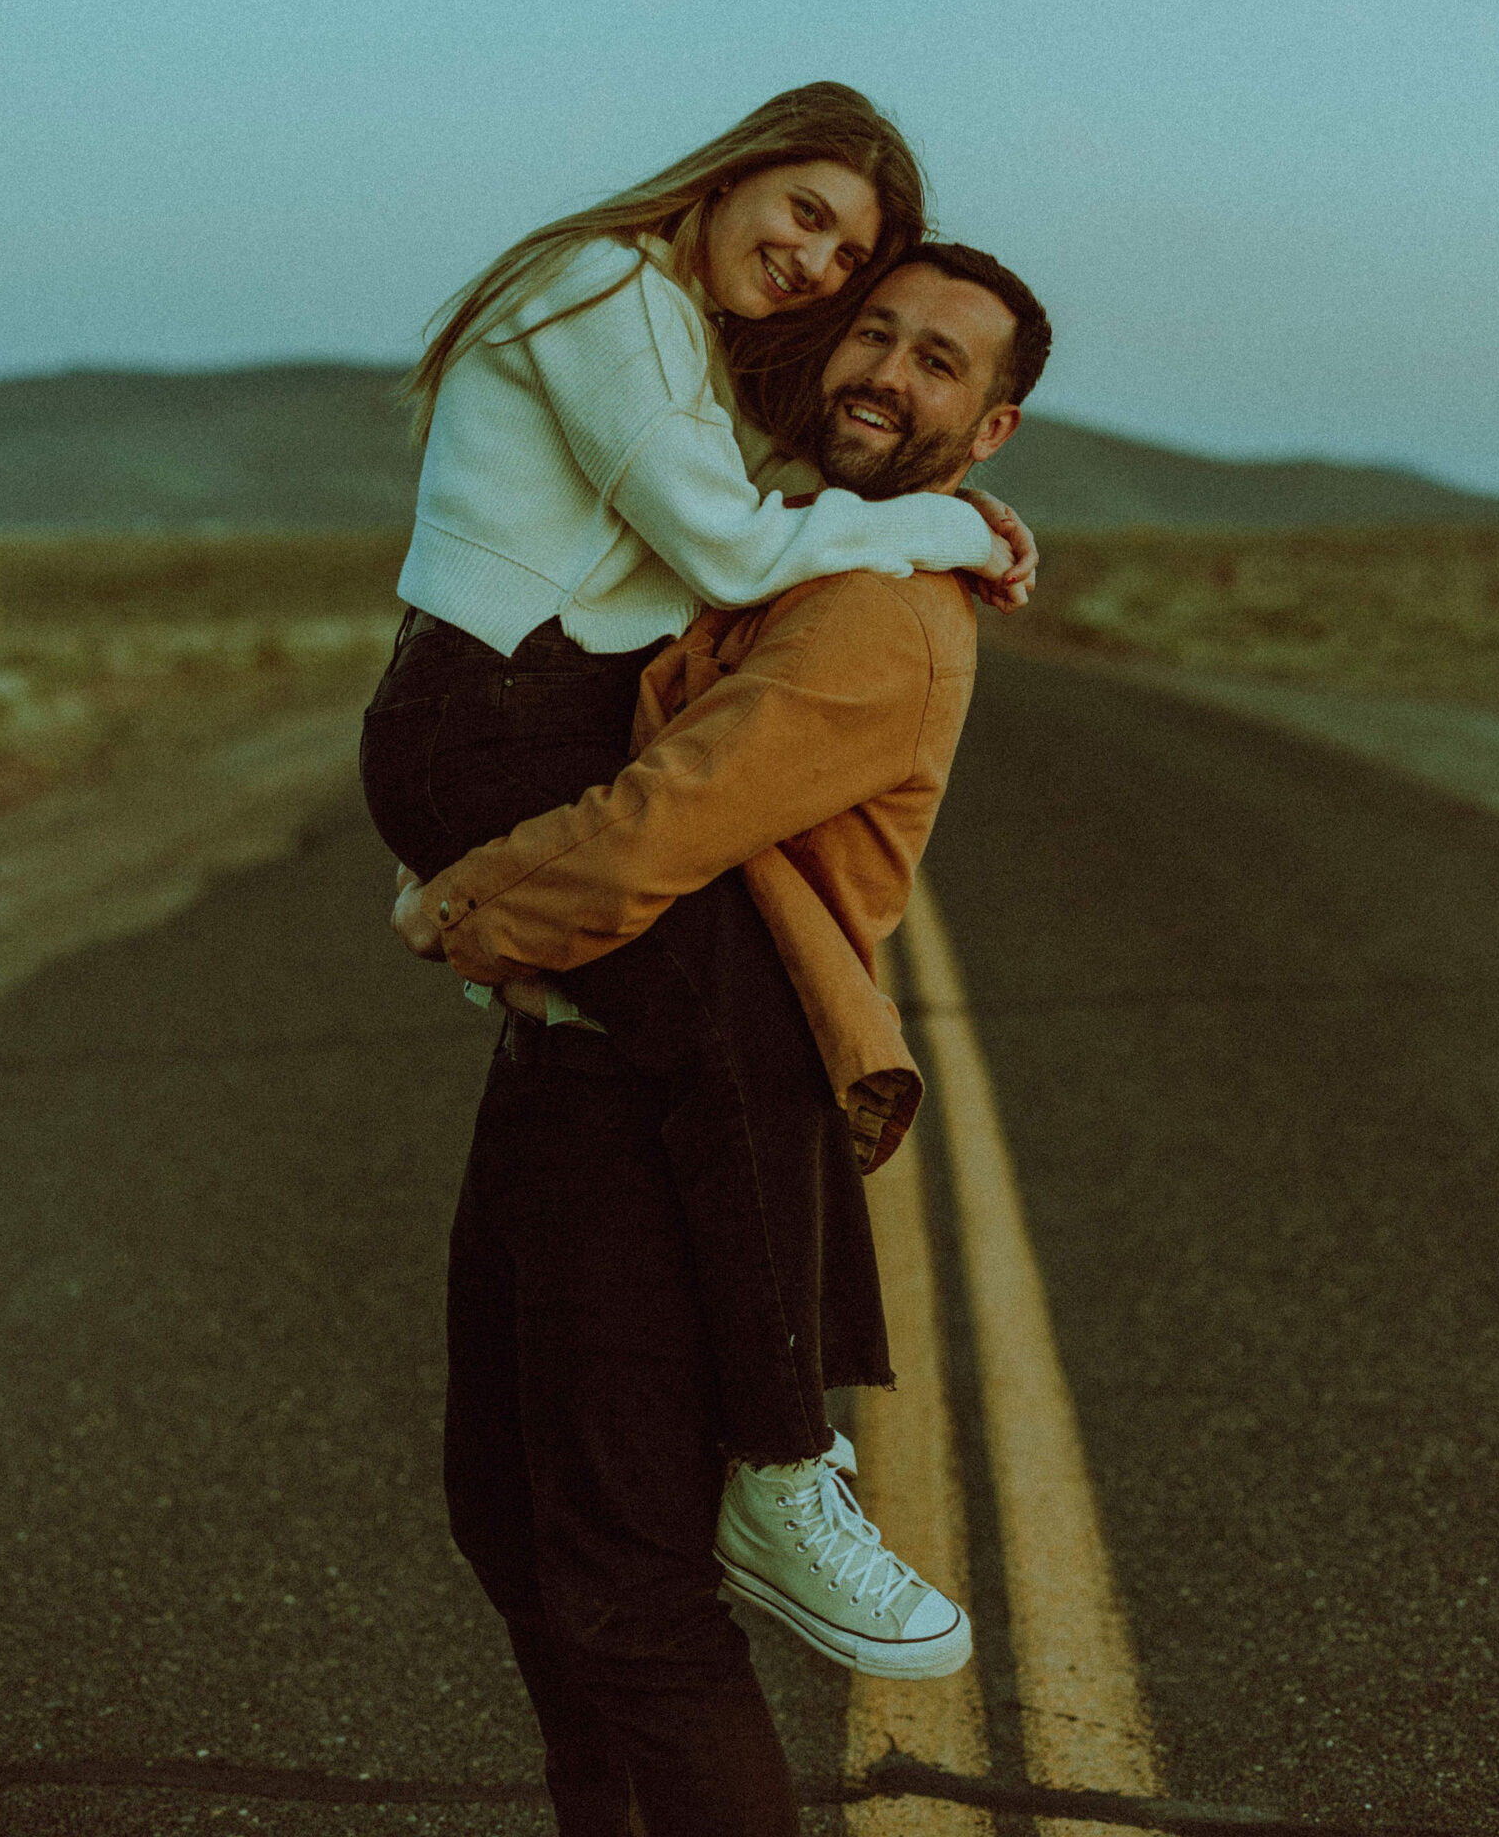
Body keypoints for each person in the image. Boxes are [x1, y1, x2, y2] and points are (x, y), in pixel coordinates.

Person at [389, 244, 1052, 1837]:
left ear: (993, 425)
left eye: (939, 361)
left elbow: (648, 834)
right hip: (576, 1070)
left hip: (676, 1119)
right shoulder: (787, 560)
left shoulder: (878, 622)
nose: (888, 371)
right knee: (508, 1514)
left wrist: (454, 910)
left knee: (628, 1587)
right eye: (873, 333)